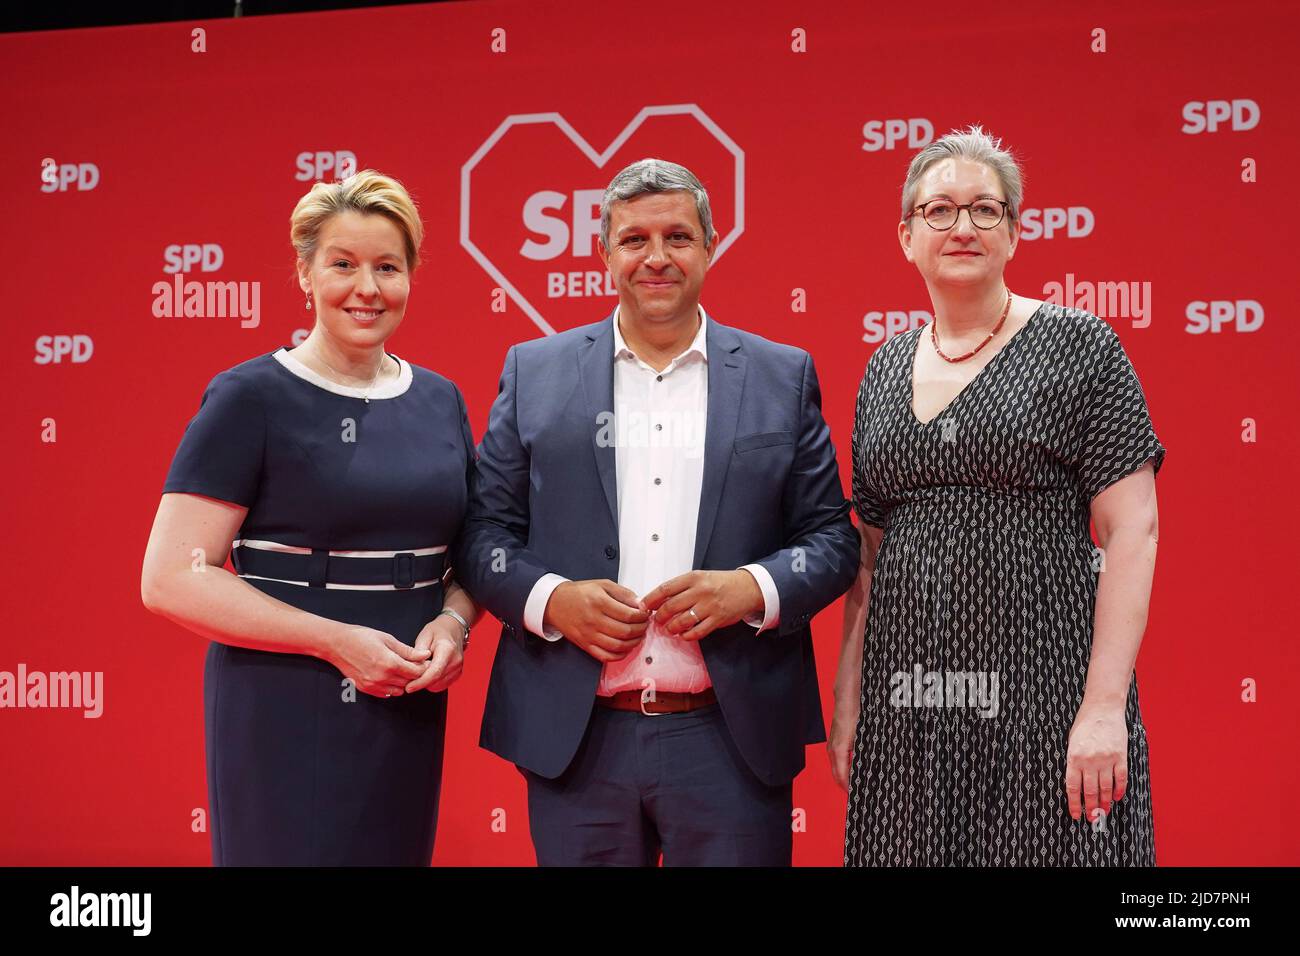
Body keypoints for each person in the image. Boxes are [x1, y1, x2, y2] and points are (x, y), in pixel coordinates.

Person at [454, 158, 858, 866]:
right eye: (635, 239)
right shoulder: (534, 370)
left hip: (731, 740)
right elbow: (484, 533)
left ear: (709, 246)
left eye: (677, 236)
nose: (657, 257)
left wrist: (751, 590)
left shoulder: (779, 374)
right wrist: (553, 601)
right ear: (604, 252)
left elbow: (830, 538)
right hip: (579, 743)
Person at [830, 126, 1165, 866]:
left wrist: (1103, 708)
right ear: (906, 236)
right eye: (940, 210)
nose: (963, 227)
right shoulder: (883, 368)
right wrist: (849, 696)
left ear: (1014, 233)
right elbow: (869, 557)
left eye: (986, 209)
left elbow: (1132, 532)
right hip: (908, 705)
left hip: (1045, 698)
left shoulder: (1081, 345)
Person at [141, 169, 479, 866]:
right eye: (343, 264)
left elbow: (475, 553)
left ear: (412, 275)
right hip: (283, 702)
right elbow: (172, 577)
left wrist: (454, 622)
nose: (368, 288)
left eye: (388, 267)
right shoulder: (250, 397)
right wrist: (332, 642)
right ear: (304, 273)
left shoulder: (440, 400)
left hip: (407, 703)